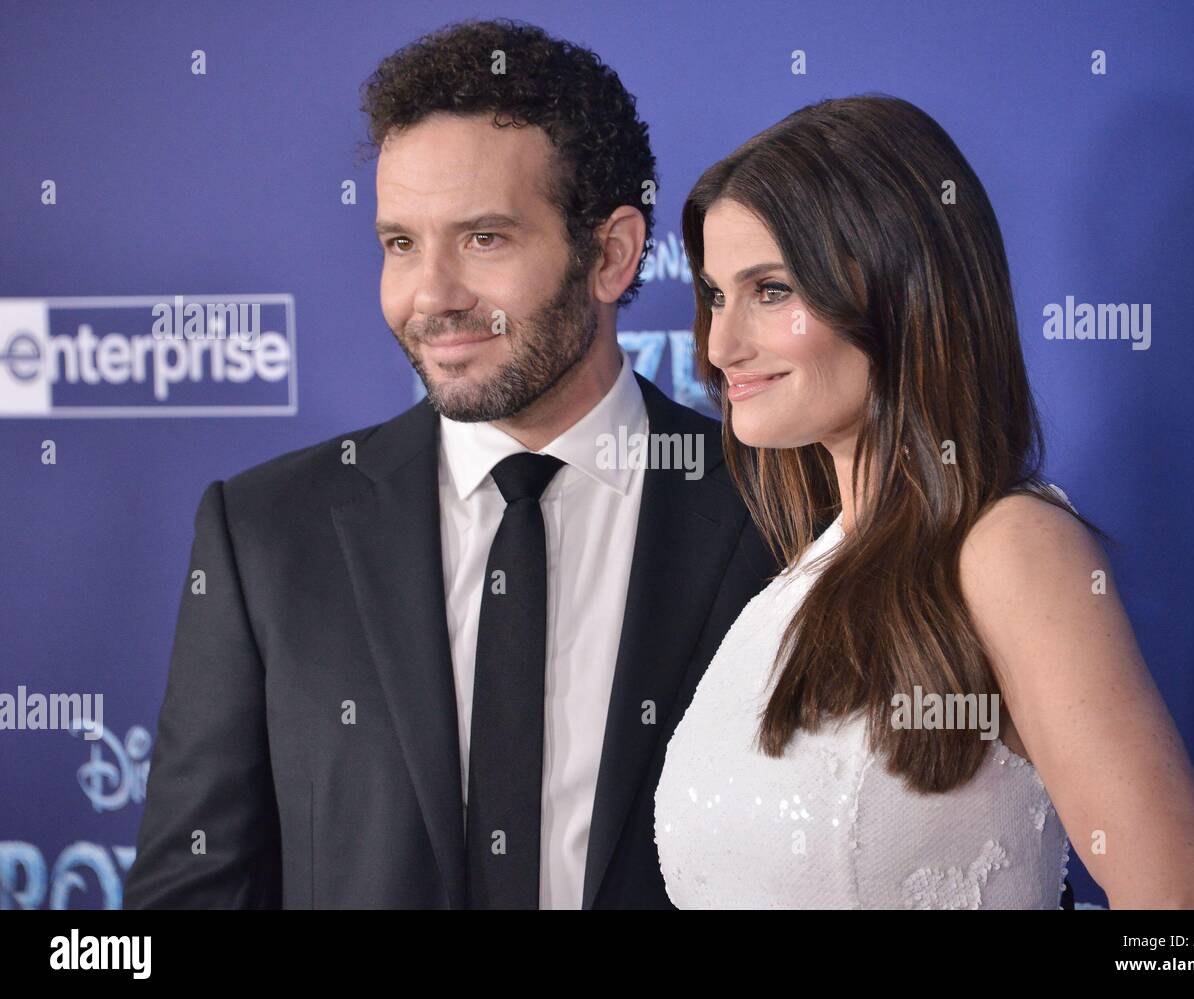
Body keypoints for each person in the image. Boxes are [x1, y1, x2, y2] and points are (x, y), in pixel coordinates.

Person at [124, 19, 778, 910]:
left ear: (612, 254)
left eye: (482, 239)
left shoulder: (777, 506)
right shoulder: (266, 533)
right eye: (400, 243)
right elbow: (187, 895)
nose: (429, 296)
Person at [654, 94, 1194, 909]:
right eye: (717, 295)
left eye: (770, 289)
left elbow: (1191, 913)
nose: (720, 345)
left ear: (899, 286)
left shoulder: (1009, 548)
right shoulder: (787, 586)